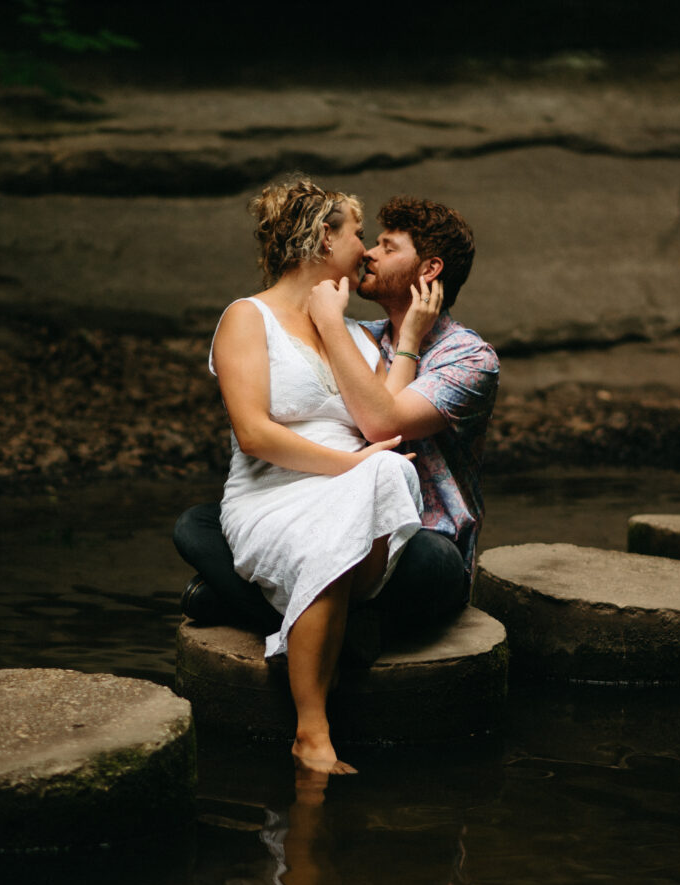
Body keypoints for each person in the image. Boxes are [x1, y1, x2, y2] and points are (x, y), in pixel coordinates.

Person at [176, 182, 498, 771]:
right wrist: (358, 461)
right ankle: (331, 678)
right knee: (195, 525)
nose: (367, 251)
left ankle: (253, 604)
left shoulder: (461, 356)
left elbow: (382, 425)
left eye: (383, 244)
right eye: (360, 236)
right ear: (324, 239)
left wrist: (393, 340)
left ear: (428, 270)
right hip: (311, 493)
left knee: (420, 545)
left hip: (414, 536)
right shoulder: (275, 320)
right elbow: (258, 434)